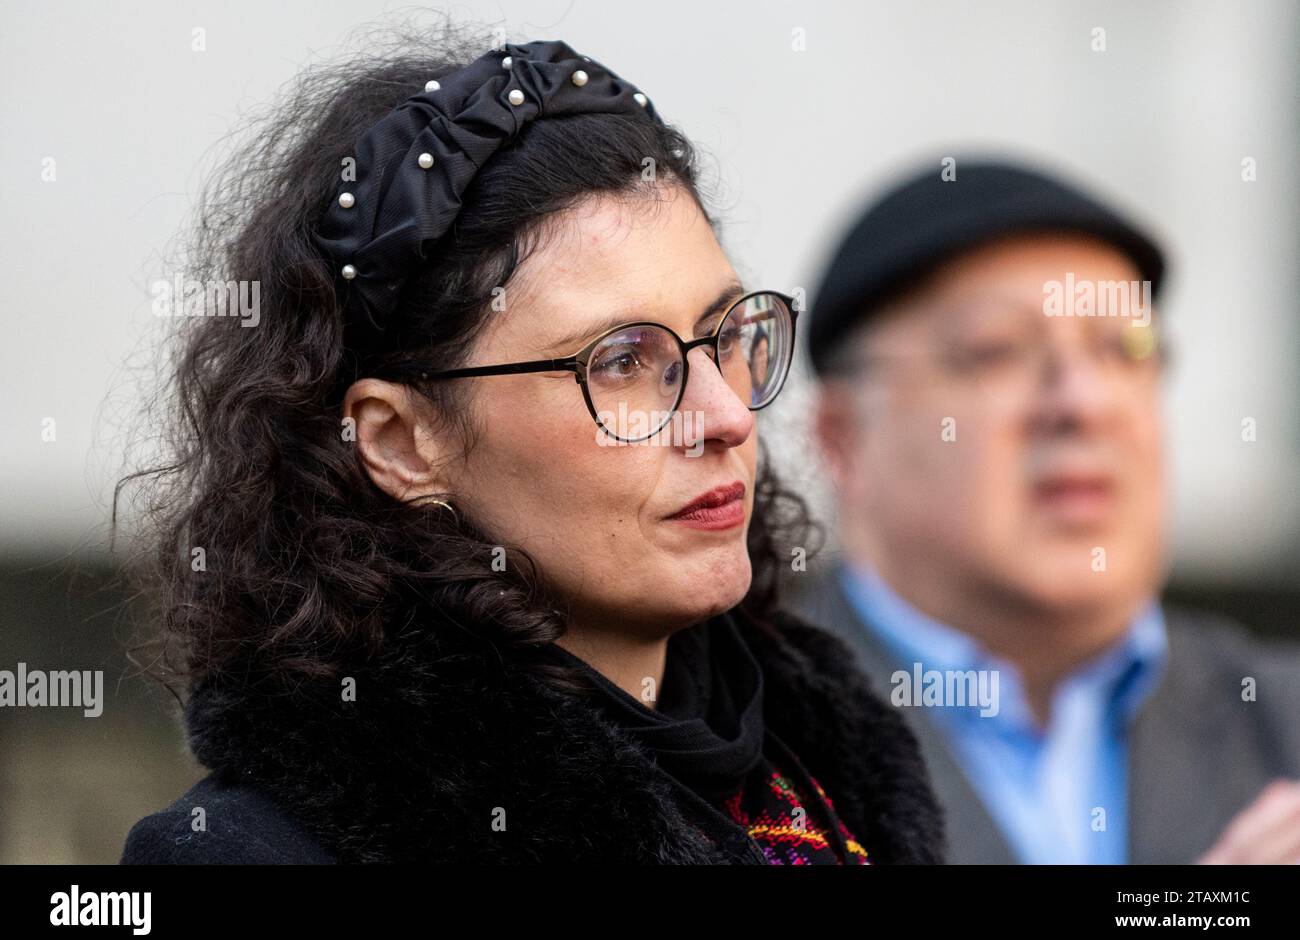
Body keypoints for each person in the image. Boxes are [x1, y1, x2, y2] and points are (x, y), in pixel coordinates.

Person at [115, 29, 945, 865]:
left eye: (723, 332)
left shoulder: (835, 767)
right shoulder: (258, 853)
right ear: (402, 442)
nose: (724, 412)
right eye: (621, 361)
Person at [789, 158, 1300, 864]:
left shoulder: (1281, 721)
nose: (1084, 403)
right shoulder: (726, 744)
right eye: (996, 351)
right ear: (841, 439)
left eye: (1126, 349)